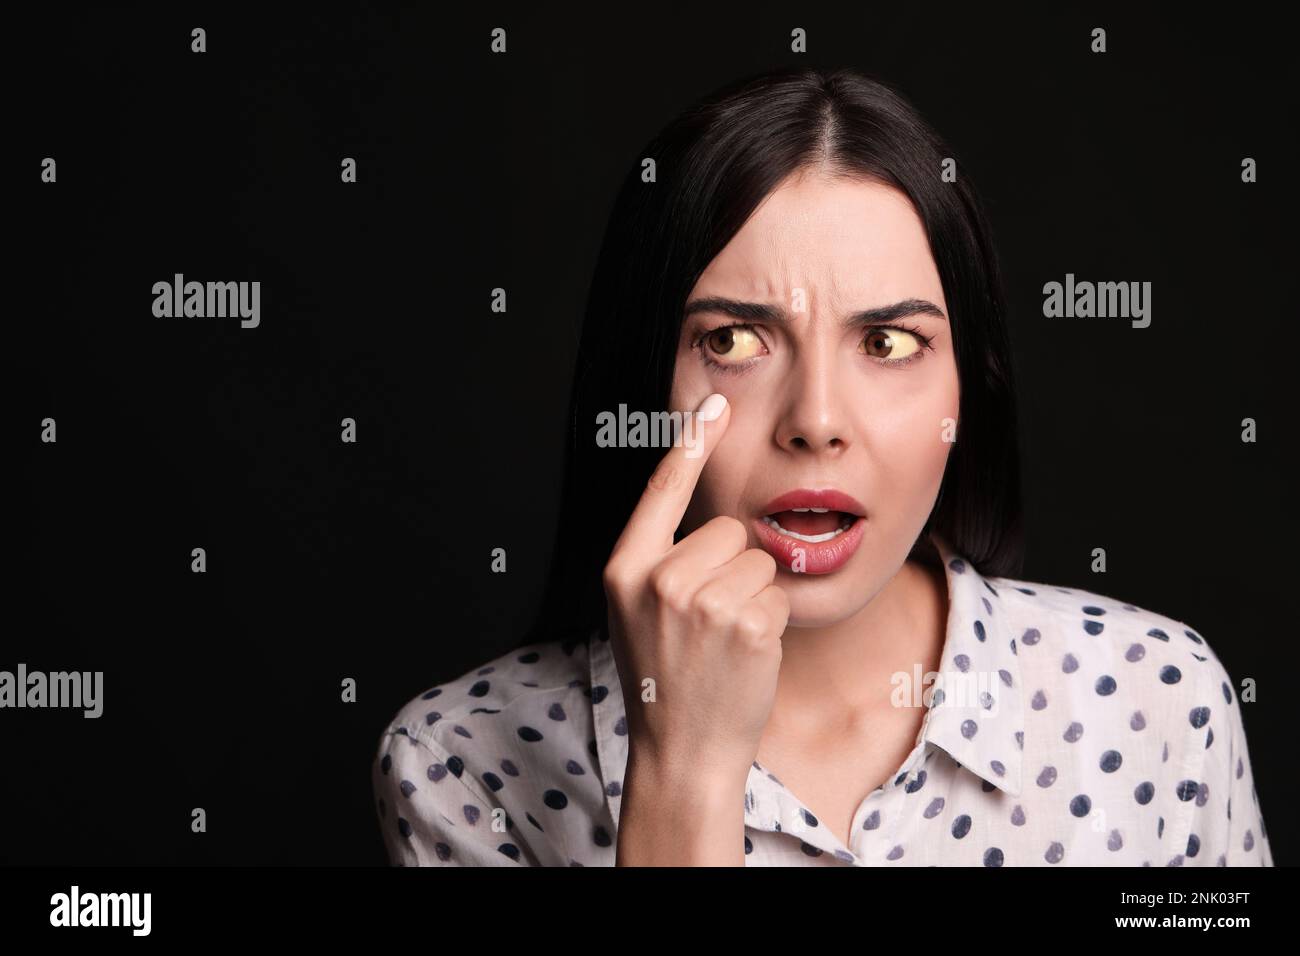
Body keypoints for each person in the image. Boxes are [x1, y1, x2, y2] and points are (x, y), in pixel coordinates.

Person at [372, 67, 1273, 866]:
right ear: (644, 378)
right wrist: (686, 771)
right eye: (733, 340)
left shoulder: (1157, 699)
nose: (816, 421)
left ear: (972, 389)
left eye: (888, 342)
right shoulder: (463, 764)